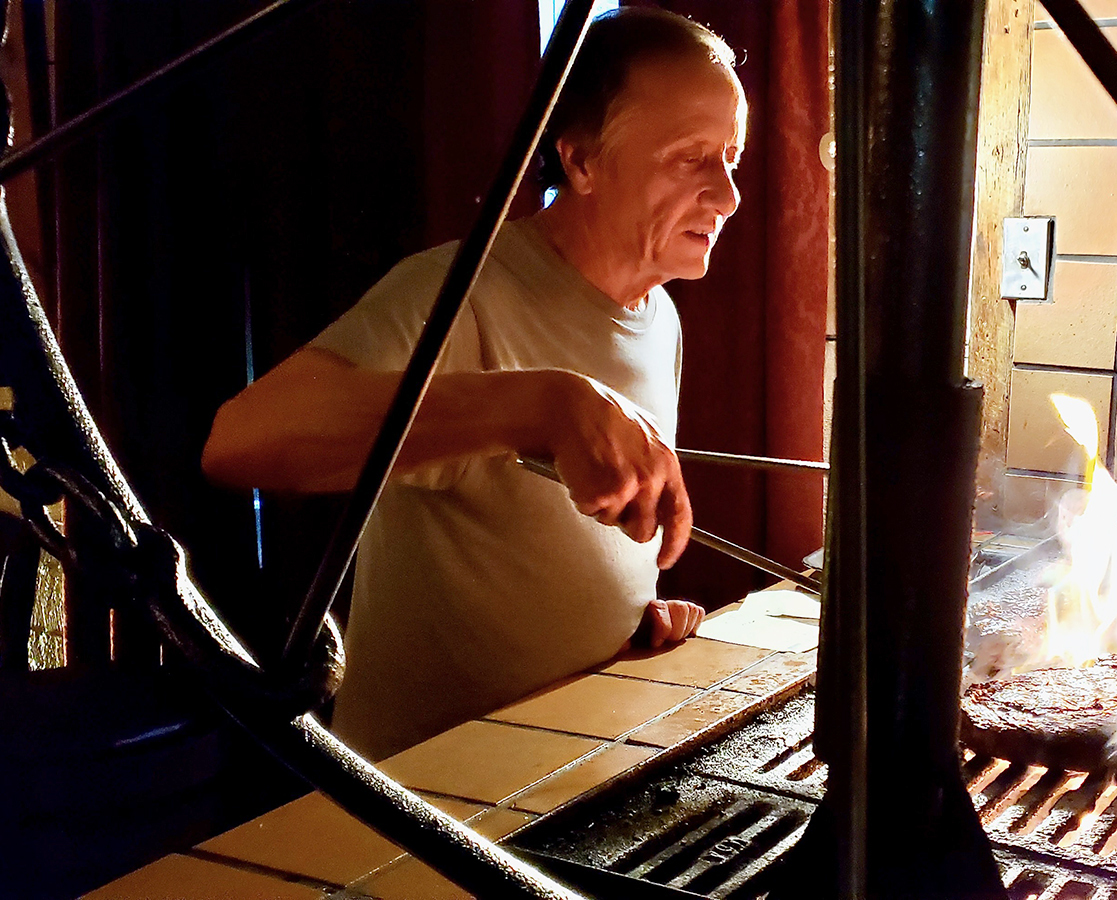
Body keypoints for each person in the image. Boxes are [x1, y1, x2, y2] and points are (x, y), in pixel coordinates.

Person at [202, 8, 746, 759]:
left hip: (572, 756)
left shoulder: (660, 317)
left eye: (731, 158)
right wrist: (535, 403)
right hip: (426, 788)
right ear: (580, 162)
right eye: (691, 158)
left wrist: (628, 621)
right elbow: (240, 442)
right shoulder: (456, 292)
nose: (727, 196)